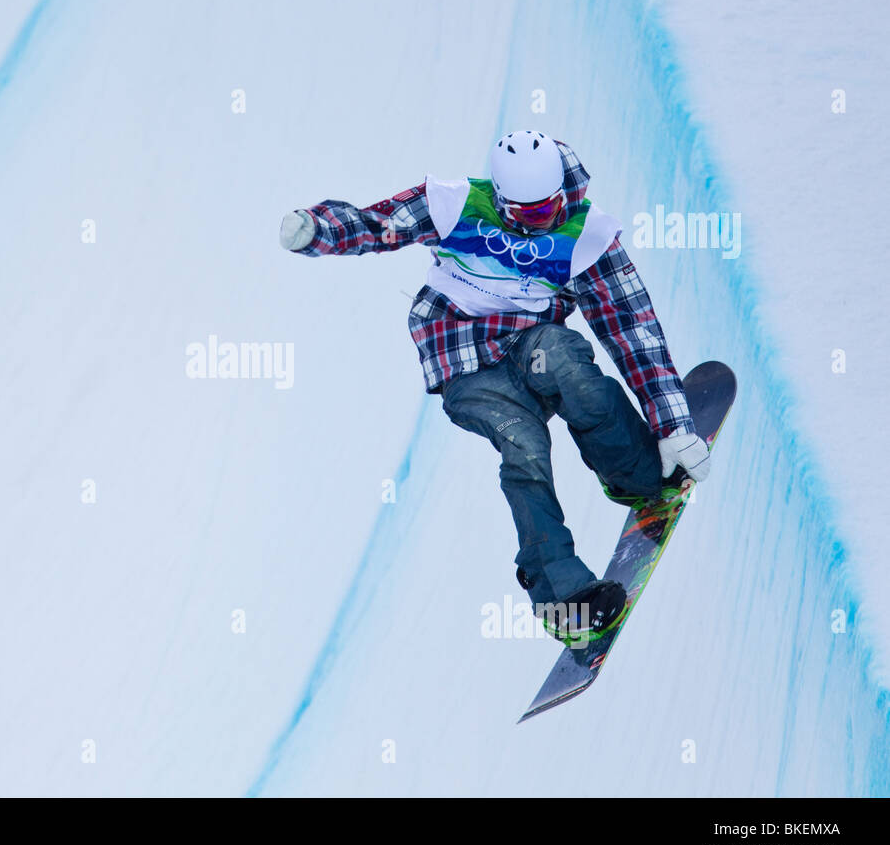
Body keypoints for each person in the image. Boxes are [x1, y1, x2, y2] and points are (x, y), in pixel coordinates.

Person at [278, 130, 710, 640]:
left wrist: (673, 424)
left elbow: (631, 328)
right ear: (502, 201)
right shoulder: (454, 205)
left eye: (547, 208)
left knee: (573, 368)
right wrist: (317, 230)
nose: (539, 222)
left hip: (532, 343)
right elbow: (376, 226)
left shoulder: (585, 236)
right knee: (523, 446)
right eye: (524, 215)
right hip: (463, 360)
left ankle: (636, 474)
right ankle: (563, 600)